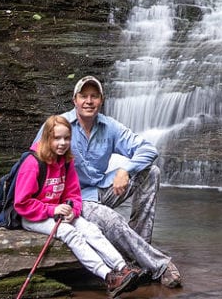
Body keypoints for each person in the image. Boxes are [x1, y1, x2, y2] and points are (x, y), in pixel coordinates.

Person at [36, 75, 182, 288]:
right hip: (74, 199)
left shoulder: (109, 126)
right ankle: (159, 265)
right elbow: (32, 161)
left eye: (94, 96)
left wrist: (126, 169)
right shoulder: (59, 126)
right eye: (83, 96)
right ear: (74, 100)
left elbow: (149, 149)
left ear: (101, 100)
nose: (89, 101)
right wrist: (7, 205)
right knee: (112, 219)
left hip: (102, 188)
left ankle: (137, 252)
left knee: (151, 172)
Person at [15, 114, 143, 298]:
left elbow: (74, 194)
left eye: (66, 138)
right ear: (46, 138)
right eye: (57, 138)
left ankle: (122, 268)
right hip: (34, 216)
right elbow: (22, 203)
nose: (62, 143)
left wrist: (72, 211)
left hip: (59, 212)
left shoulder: (66, 162)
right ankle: (108, 277)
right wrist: (52, 209)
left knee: (90, 229)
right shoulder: (33, 163)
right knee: (69, 233)